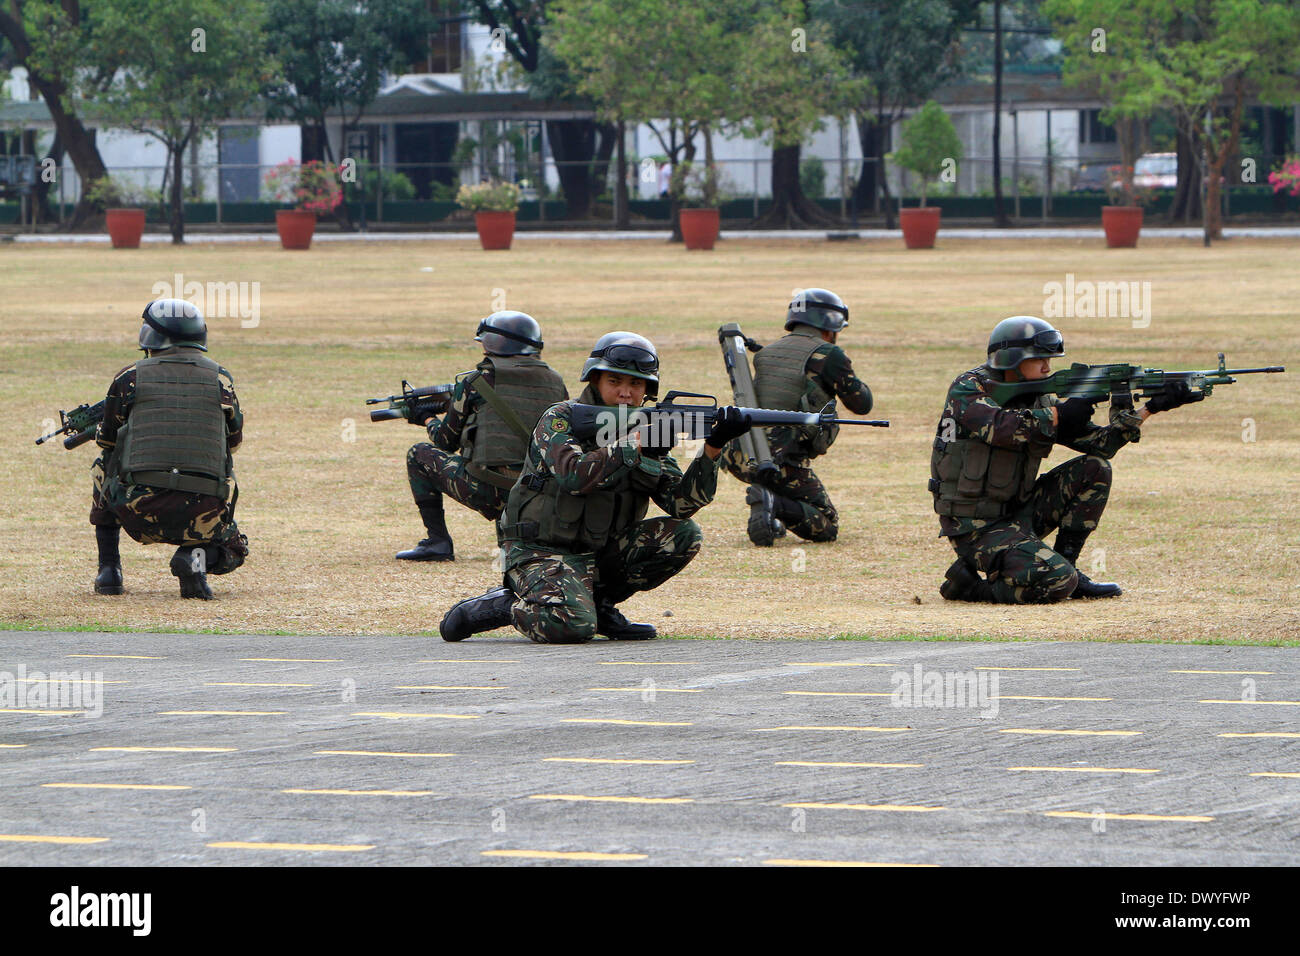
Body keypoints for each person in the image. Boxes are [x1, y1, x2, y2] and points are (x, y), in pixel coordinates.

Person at [439, 332, 753, 644]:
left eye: (636, 384)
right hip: (539, 552)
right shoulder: (561, 419)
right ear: (594, 381)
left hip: (598, 554)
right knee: (570, 626)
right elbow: (574, 477)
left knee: (685, 534)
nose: (626, 393)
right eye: (615, 382)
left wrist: (713, 448)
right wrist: (634, 443)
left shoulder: (645, 428)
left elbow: (681, 505)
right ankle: (506, 604)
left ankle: (598, 603)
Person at [931, 315, 1202, 603]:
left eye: (1050, 359)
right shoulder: (969, 388)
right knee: (1058, 583)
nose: (1048, 367)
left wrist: (1149, 409)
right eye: (1039, 359)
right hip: (975, 528)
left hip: (1016, 512)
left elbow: (1100, 445)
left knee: (1095, 469)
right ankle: (969, 587)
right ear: (1011, 359)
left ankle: (1068, 563)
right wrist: (1062, 415)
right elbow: (1000, 427)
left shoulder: (1039, 397)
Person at [90, 299, 248, 600]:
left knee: (104, 464)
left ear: (150, 336)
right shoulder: (220, 379)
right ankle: (194, 559)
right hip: (203, 513)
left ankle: (109, 571)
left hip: (138, 512)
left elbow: (108, 441)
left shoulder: (129, 377)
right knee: (233, 548)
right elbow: (234, 442)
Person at [397, 311, 568, 561]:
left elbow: (445, 441)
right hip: (537, 496)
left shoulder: (477, 381)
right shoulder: (555, 382)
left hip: (489, 490)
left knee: (418, 454)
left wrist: (426, 418)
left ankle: (438, 542)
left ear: (493, 345)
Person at [721, 288, 874, 546]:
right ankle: (774, 505)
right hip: (780, 460)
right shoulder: (829, 355)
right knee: (826, 524)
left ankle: (772, 513)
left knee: (782, 482)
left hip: (741, 454)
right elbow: (862, 404)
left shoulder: (767, 352)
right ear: (830, 326)